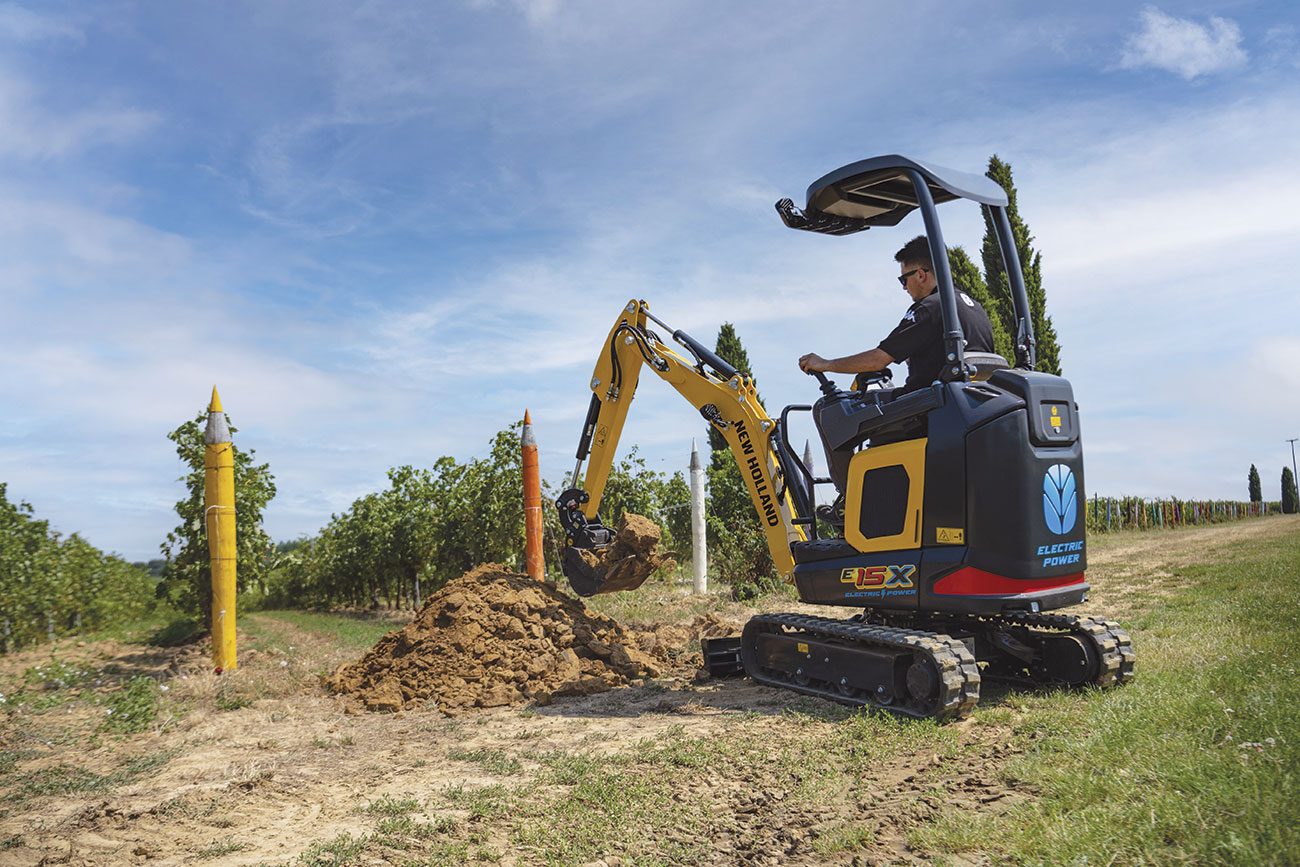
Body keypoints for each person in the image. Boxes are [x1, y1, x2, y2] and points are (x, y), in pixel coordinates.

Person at [798, 235, 995, 499]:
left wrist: (826, 364)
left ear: (922, 274)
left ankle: (851, 500)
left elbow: (881, 358)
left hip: (926, 409)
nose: (904, 287)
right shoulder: (973, 307)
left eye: (904, 279)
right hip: (962, 409)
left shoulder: (927, 309)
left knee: (828, 409)